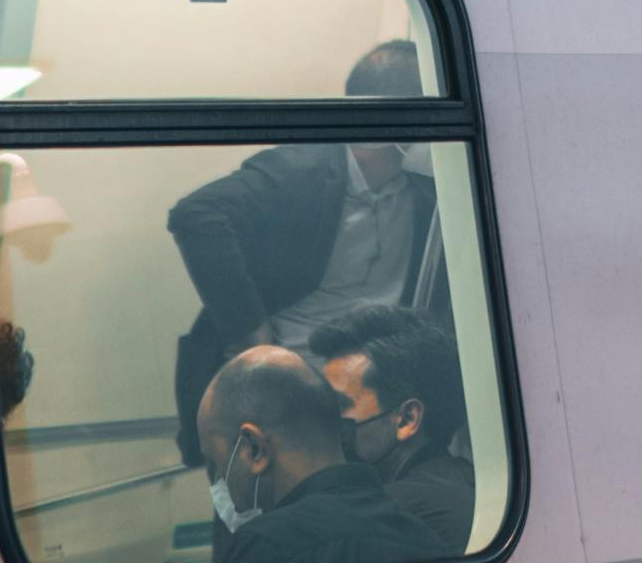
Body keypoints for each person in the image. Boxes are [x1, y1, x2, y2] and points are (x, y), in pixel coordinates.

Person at [165, 46, 442, 422]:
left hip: (379, 394)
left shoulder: (429, 194)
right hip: (288, 388)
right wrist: (252, 332)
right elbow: (196, 214)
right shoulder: (301, 171)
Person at [189, 341, 404, 563]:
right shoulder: (411, 529)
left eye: (216, 464)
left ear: (254, 449)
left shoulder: (266, 548)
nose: (219, 483)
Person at [302, 300, 481, 560]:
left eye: (337, 405)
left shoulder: (390, 513)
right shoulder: (466, 478)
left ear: (407, 419)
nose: (322, 420)